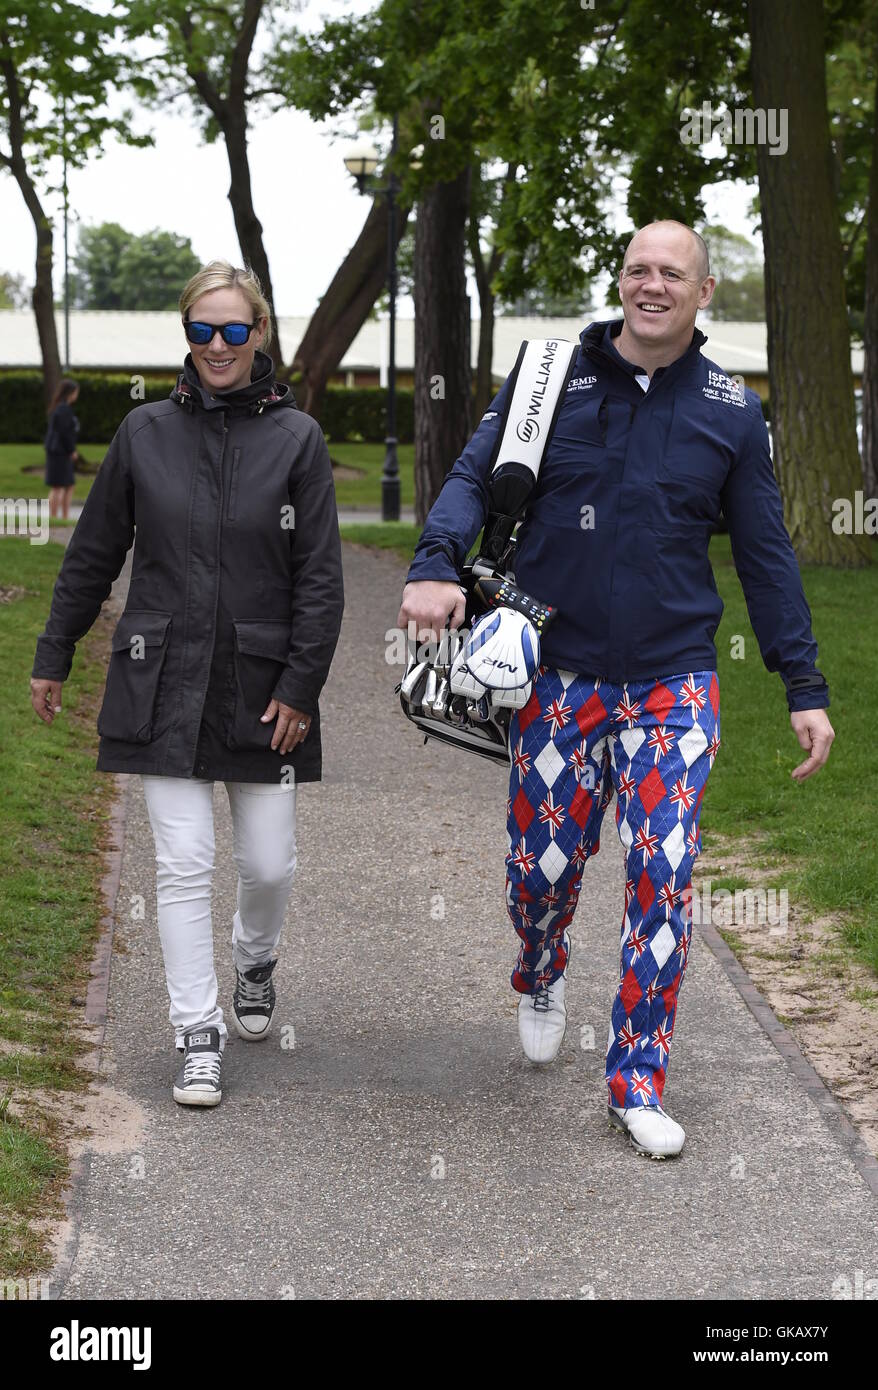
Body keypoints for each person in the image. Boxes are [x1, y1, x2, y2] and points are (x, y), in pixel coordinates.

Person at [397, 220, 835, 1160]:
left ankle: (637, 1077)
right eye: (638, 268)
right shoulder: (550, 376)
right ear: (622, 280)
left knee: (664, 872)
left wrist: (803, 682)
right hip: (557, 675)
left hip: (676, 681)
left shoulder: (731, 409)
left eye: (673, 272)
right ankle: (541, 963)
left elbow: (765, 555)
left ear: (704, 293)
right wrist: (436, 563)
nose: (652, 284)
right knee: (541, 871)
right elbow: (474, 478)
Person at [31, 260, 344, 1108]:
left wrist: (302, 685)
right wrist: (55, 652)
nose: (216, 345)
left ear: (260, 336)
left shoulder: (298, 441)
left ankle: (253, 962)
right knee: (180, 864)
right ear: (186, 333)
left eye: (233, 330)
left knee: (270, 863)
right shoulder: (144, 433)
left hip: (262, 687)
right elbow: (95, 551)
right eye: (201, 329)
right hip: (159, 678)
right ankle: (195, 1034)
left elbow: (319, 578)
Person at [45, 377, 80, 520]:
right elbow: (65, 433)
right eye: (76, 392)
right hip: (61, 452)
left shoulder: (58, 408)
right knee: (60, 486)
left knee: (65, 486)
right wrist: (71, 450)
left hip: (56, 451)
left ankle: (61, 516)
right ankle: (56, 517)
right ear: (70, 393)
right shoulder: (64, 410)